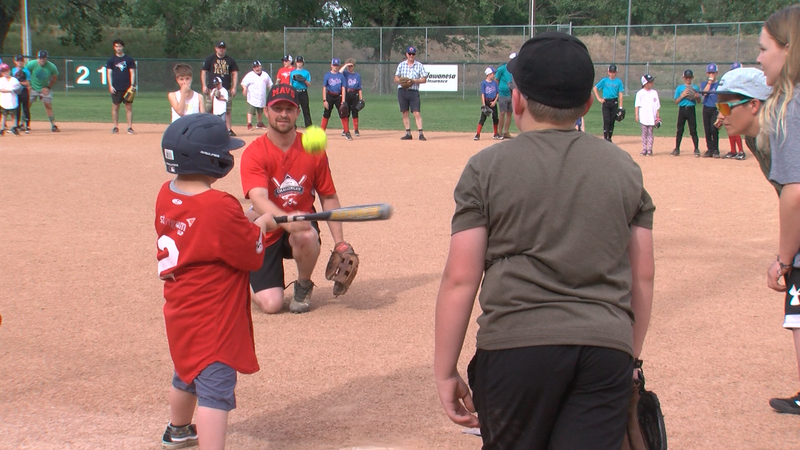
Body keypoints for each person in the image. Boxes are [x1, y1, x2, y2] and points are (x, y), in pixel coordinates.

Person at [434, 32, 655, 450]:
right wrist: (630, 356)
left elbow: (460, 279)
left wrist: (445, 371)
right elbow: (642, 276)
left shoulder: (486, 167)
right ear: (588, 103)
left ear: (516, 100)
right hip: (604, 349)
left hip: (516, 347)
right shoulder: (623, 167)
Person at [155, 113, 276, 450]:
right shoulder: (218, 205)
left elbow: (209, 227)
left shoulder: (167, 193)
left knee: (186, 370)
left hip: (181, 309)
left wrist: (245, 217)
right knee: (215, 389)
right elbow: (249, 254)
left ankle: (177, 431)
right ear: (212, 159)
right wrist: (263, 224)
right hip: (214, 315)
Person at [239, 84, 348, 314]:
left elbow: (328, 196)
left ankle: (304, 285)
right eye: (277, 108)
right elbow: (258, 199)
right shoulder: (255, 152)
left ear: (297, 112)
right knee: (271, 305)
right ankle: (241, 277)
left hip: (301, 226)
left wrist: (339, 243)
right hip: (269, 228)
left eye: (289, 109)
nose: (283, 114)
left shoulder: (312, 150)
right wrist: (288, 219)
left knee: (307, 234)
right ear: (266, 111)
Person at [752, 5, 800, 416]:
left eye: (765, 48)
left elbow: (796, 191)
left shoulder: (793, 105)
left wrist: (784, 260)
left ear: (788, 49)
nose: (759, 57)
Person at [715, 68, 773, 184]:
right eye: (719, 107)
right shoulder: (752, 138)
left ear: (753, 105)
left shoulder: (785, 140)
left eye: (726, 107)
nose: (720, 116)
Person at [201, 41, 239, 136]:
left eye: (223, 47)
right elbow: (204, 72)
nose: (221, 49)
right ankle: (208, 128)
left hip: (225, 90)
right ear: (216, 48)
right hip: (211, 89)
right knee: (209, 109)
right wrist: (204, 85)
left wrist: (234, 87)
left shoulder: (230, 60)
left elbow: (234, 73)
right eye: (219, 47)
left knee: (227, 110)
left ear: (225, 49)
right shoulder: (210, 59)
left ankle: (228, 129)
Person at [394, 45, 428, 141]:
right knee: (405, 112)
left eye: (413, 54)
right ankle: (408, 133)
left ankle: (421, 133)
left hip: (413, 91)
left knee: (416, 112)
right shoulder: (401, 65)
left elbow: (424, 79)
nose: (411, 55)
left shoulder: (419, 65)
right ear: (406, 54)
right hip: (402, 91)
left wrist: (414, 81)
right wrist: (402, 81)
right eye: (409, 53)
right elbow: (396, 78)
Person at [106, 39, 137, 135]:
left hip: (127, 87)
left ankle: (130, 127)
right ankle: (115, 126)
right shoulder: (112, 60)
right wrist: (110, 86)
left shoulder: (129, 59)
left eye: (120, 46)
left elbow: (132, 72)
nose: (118, 48)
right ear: (113, 47)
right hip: (116, 87)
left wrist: (132, 85)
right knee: (115, 106)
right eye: (116, 46)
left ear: (123, 47)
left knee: (128, 106)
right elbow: (109, 73)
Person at [25, 50, 60, 132]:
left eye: (44, 58)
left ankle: (53, 124)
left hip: (44, 88)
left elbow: (54, 77)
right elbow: (25, 73)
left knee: (48, 105)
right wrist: (29, 85)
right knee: (27, 105)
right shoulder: (32, 64)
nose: (42, 60)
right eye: (41, 58)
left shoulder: (51, 66)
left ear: (46, 58)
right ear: (38, 57)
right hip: (33, 88)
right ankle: (24, 123)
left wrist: (48, 87)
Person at [671, 69, 701, 157]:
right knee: (679, 129)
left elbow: (699, 101)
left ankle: (696, 149)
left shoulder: (695, 88)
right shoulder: (680, 88)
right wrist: (682, 95)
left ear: (692, 77)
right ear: (683, 77)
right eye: (686, 77)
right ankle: (677, 148)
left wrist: (697, 97)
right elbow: (676, 101)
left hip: (691, 109)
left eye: (689, 77)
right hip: (682, 109)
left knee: (693, 130)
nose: (688, 79)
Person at [592, 64, 624, 142]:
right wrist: (599, 98)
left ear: (616, 72)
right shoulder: (604, 80)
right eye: (610, 72)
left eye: (613, 72)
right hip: (606, 102)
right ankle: (605, 138)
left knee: (612, 120)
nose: (612, 74)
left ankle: (609, 138)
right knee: (606, 120)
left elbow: (620, 94)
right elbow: (595, 88)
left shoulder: (619, 82)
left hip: (614, 102)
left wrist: (620, 107)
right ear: (608, 72)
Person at [320, 58, 351, 139]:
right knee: (326, 114)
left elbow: (343, 88)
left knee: (343, 113)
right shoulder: (327, 75)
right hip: (329, 96)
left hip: (338, 96)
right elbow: (324, 88)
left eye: (337, 65)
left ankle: (347, 132)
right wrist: (324, 100)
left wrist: (343, 101)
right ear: (331, 65)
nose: (335, 67)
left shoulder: (341, 76)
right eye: (334, 65)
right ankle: (321, 133)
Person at [240, 60, 272, 131]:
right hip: (252, 97)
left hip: (261, 97)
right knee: (251, 110)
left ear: (261, 66)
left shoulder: (265, 75)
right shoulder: (250, 75)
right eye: (255, 67)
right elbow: (243, 83)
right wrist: (244, 89)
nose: (256, 68)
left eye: (257, 66)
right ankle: (249, 123)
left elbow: (270, 84)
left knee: (260, 110)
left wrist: (272, 91)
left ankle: (259, 123)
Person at [723, 62, 746, 159]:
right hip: (729, 105)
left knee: (736, 128)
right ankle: (733, 151)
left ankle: (741, 151)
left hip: (738, 106)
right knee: (730, 129)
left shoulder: (743, 83)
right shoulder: (729, 82)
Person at [635, 74, 660, 156]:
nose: (652, 83)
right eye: (650, 82)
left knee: (650, 133)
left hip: (652, 117)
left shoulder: (654, 92)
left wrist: (657, 117)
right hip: (643, 116)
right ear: (645, 83)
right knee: (644, 133)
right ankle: (644, 148)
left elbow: (657, 106)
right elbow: (637, 105)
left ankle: (649, 149)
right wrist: (636, 115)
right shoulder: (640, 93)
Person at [700, 63, 721, 157]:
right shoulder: (704, 83)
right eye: (710, 73)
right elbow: (704, 94)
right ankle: (710, 149)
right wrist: (710, 82)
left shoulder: (720, 84)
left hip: (715, 108)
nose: (711, 74)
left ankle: (716, 149)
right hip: (706, 107)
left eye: (713, 73)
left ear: (717, 73)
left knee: (714, 128)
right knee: (707, 129)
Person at [494, 52, 516, 139]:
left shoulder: (516, 70)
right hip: (503, 94)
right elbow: (496, 79)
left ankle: (506, 132)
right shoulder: (502, 68)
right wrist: (497, 92)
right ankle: (499, 132)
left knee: (509, 113)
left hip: (512, 94)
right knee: (502, 112)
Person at [339, 58, 363, 136]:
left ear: (354, 66)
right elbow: (339, 72)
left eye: (351, 66)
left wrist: (361, 98)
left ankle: (356, 130)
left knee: (355, 111)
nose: (350, 68)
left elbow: (359, 88)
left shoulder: (357, 75)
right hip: (346, 94)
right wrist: (346, 64)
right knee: (346, 111)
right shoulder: (345, 73)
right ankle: (346, 129)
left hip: (354, 94)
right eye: (349, 66)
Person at [473, 67, 499, 140]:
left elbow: (497, 93)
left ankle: (495, 134)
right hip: (487, 102)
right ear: (488, 74)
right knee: (483, 118)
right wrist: (484, 104)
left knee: (495, 118)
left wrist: (494, 102)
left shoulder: (495, 83)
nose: (493, 75)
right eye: (492, 73)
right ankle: (477, 134)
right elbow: (483, 94)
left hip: (493, 102)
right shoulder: (483, 83)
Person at [0, 63, 21, 136]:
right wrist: (11, 90)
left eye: (6, 70)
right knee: (4, 115)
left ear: (9, 70)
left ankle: (14, 128)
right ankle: (2, 129)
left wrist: (10, 90)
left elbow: (17, 89)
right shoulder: (1, 80)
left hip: (12, 101)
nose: (5, 72)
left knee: (13, 116)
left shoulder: (14, 80)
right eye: (3, 71)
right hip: (4, 101)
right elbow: (2, 89)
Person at [291, 55, 313, 127]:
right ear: (295, 63)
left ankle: (308, 126)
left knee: (306, 110)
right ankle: (292, 125)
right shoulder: (292, 73)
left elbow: (309, 84)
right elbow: (290, 84)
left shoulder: (306, 73)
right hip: (295, 92)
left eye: (300, 62)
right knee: (294, 109)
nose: (299, 63)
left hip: (303, 92)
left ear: (303, 63)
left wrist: (304, 80)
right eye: (298, 62)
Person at [12, 55, 30, 133]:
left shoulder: (26, 71)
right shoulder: (13, 70)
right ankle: (17, 124)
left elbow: (28, 83)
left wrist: (19, 83)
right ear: (15, 61)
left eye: (21, 61)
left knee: (25, 108)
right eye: (18, 61)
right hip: (16, 92)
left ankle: (27, 125)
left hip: (24, 91)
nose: (20, 62)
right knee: (17, 109)